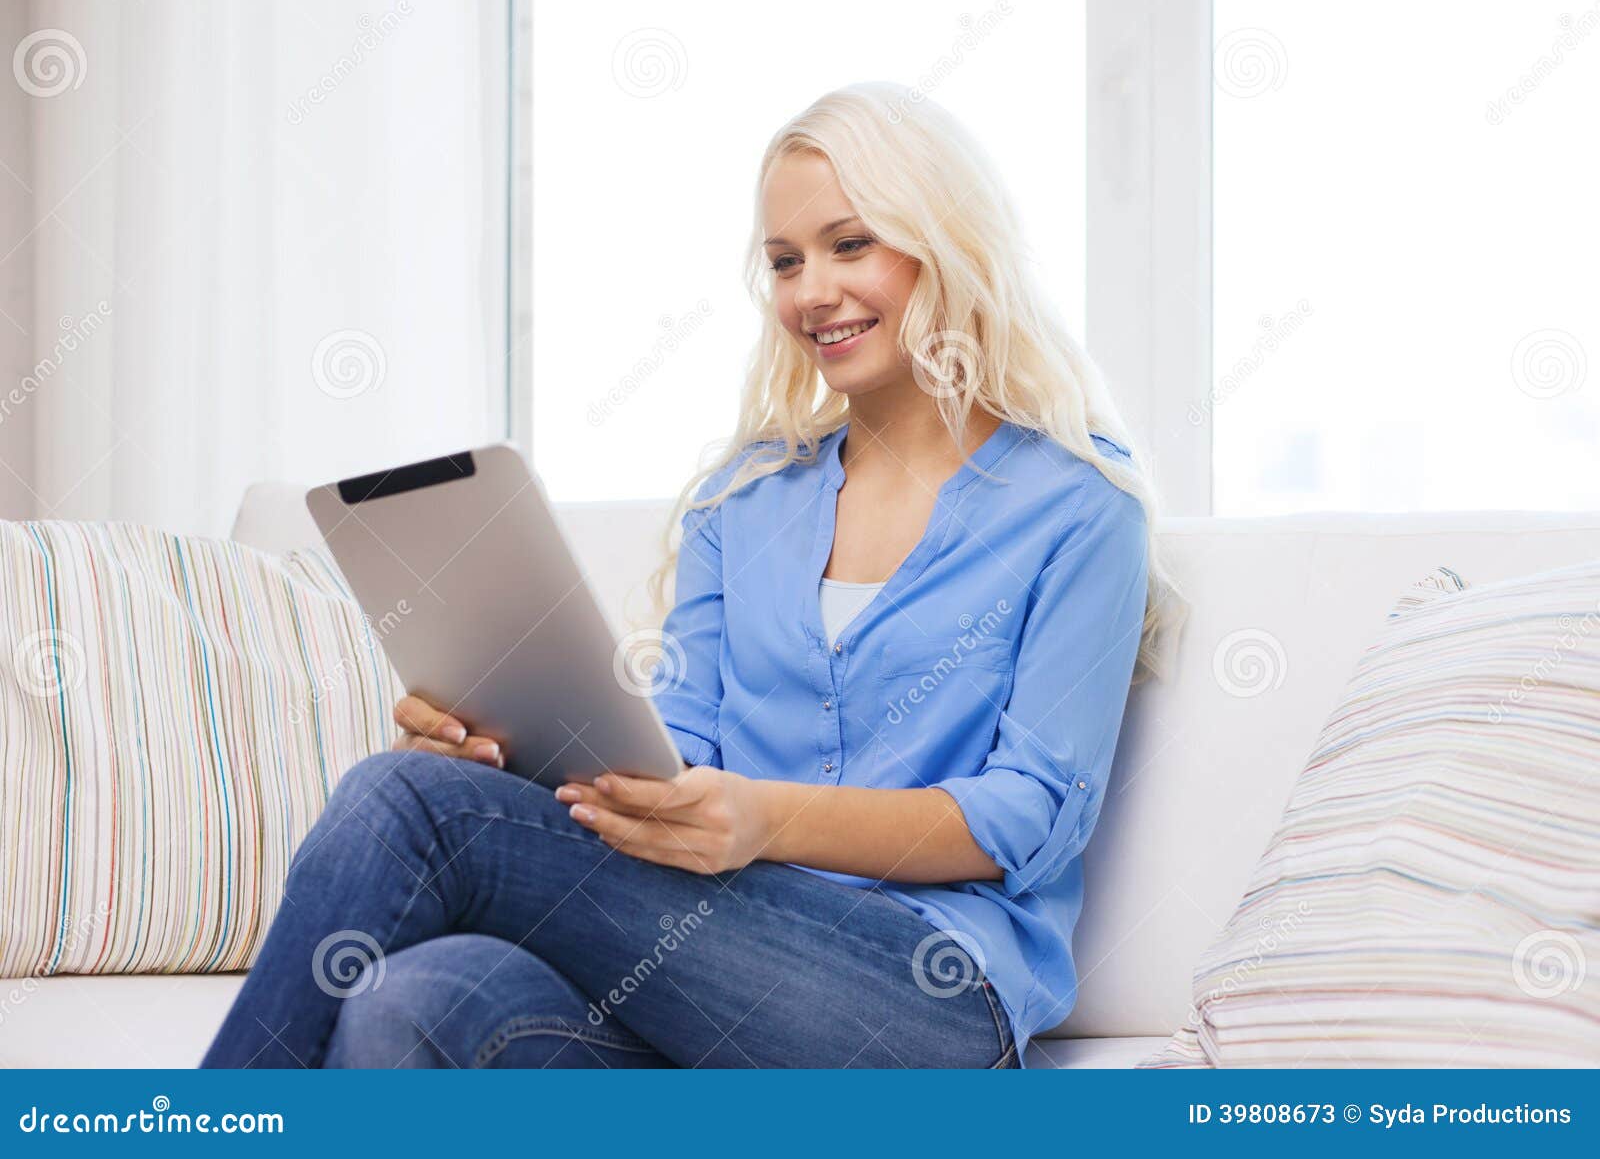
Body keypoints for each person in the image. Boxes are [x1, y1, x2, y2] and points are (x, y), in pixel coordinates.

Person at [202, 82, 1184, 1070]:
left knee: (404, 801)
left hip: (925, 1000)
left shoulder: (1078, 505)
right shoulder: (742, 501)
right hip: (708, 972)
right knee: (415, 999)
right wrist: (504, 754)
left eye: (850, 245)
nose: (811, 292)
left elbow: (1032, 815)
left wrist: (764, 820)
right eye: (784, 261)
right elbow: (679, 753)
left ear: (948, 243)